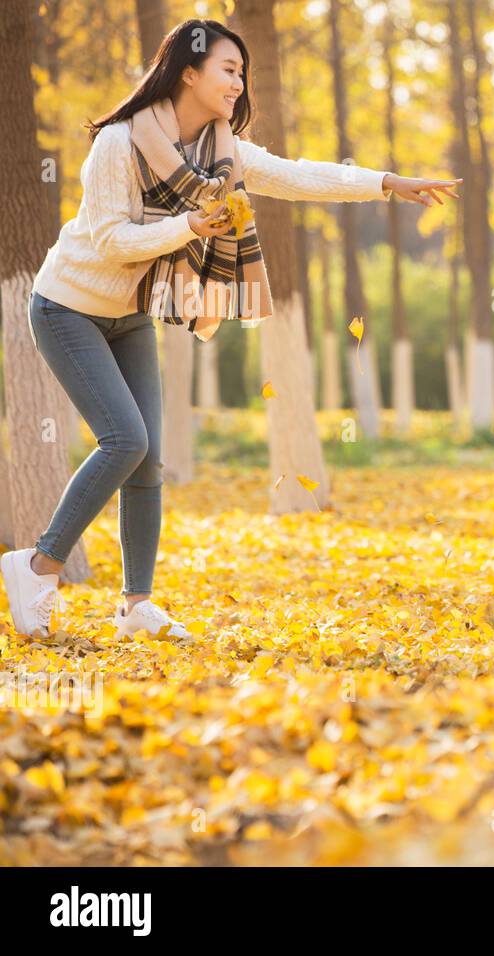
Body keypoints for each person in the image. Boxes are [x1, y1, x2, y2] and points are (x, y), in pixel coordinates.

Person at [2, 18, 460, 639]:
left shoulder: (219, 150)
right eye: (228, 69)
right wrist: (191, 227)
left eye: (242, 72)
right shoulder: (119, 143)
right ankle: (37, 565)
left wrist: (385, 183)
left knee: (149, 459)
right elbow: (110, 242)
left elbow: (298, 175)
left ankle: (136, 606)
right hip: (68, 307)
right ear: (187, 72)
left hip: (131, 312)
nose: (238, 84)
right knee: (125, 440)